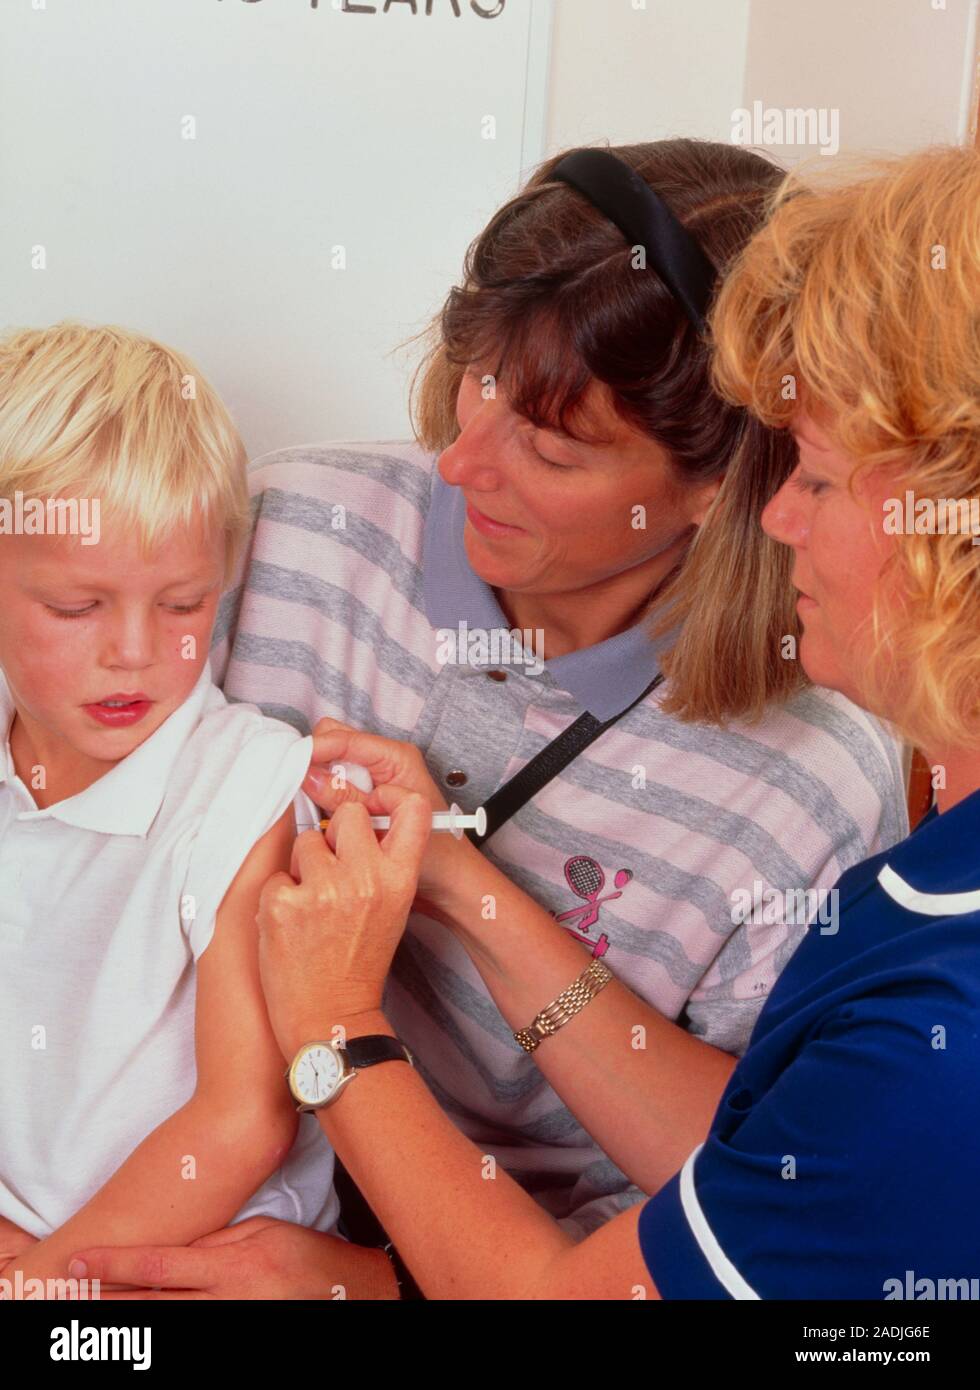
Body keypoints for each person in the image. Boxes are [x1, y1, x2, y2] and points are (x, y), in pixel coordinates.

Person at [72, 141, 980, 1300]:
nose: (459, 464)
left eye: (551, 450)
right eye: (472, 382)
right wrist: (456, 883)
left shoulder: (847, 821)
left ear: (722, 485)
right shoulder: (285, 527)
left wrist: (338, 1037)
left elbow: (678, 1226)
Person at [0, 323, 345, 1292]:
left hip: (189, 1260)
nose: (136, 652)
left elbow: (242, 1118)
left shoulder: (245, 786)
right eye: (77, 608)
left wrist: (45, 1282)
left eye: (186, 604)